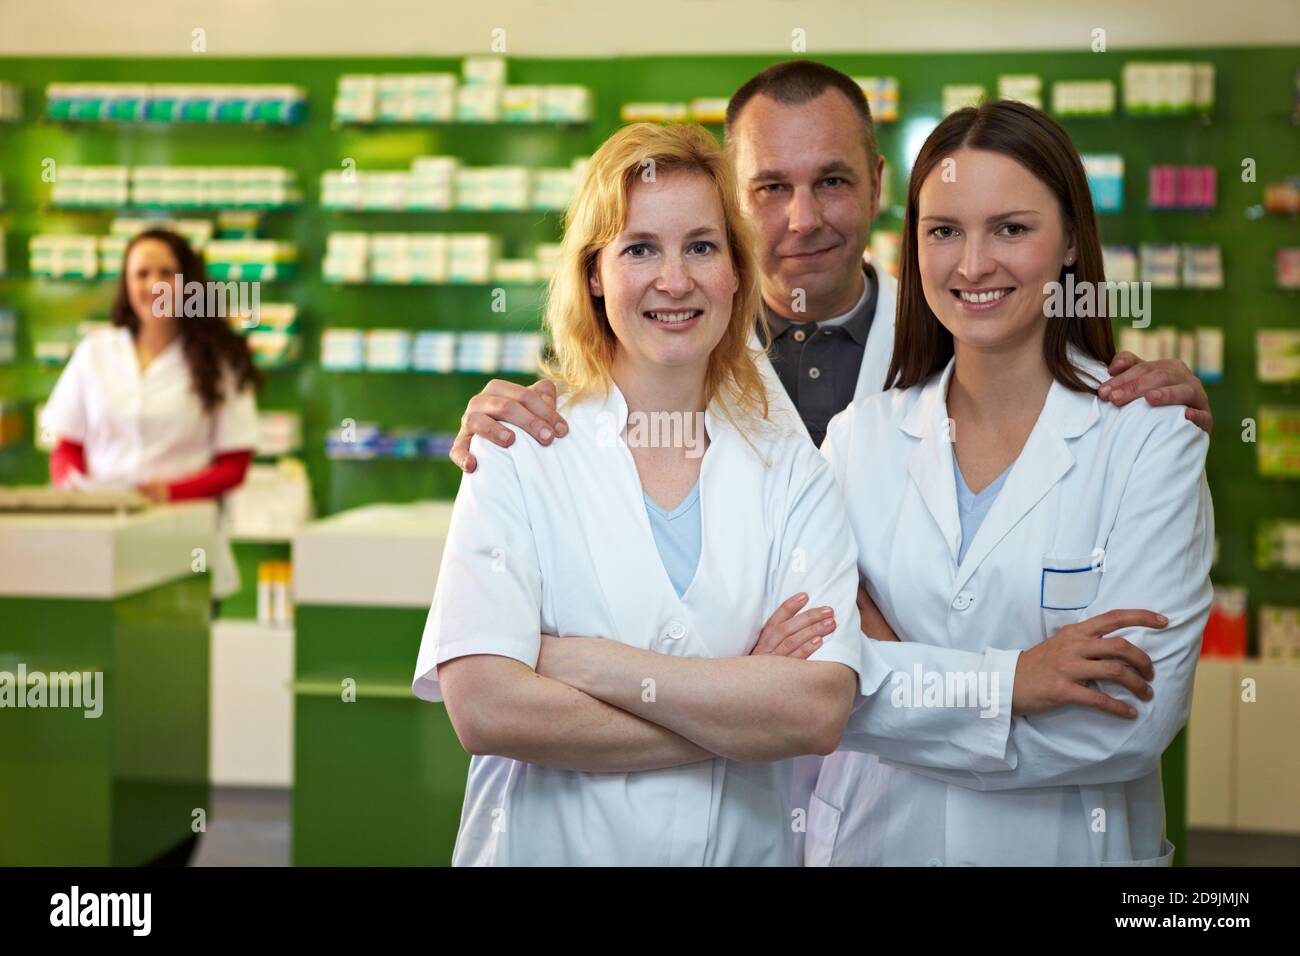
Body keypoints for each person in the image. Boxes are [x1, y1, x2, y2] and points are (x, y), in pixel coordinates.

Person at [412, 123, 866, 866]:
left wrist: (587, 666)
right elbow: (487, 708)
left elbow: (815, 711)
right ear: (595, 273)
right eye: (639, 249)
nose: (675, 279)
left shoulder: (791, 470)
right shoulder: (519, 448)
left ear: (734, 274)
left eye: (701, 246)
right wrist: (737, 704)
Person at [447, 60, 1212, 471]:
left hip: (882, 750)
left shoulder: (972, 327)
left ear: (881, 185)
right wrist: (503, 420)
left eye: (833, 182)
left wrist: (1144, 398)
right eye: (770, 188)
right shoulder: (665, 344)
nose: (803, 218)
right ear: (729, 199)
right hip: (743, 746)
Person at [810, 100, 1214, 866]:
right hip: (876, 841)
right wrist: (1017, 681)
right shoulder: (858, 441)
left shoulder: (1149, 439)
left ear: (1068, 242)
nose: (972, 265)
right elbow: (817, 680)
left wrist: (893, 672)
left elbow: (1126, 723)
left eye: (1011, 229)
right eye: (944, 231)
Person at [41, 227, 261, 596]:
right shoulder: (95, 352)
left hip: (183, 535)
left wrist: (169, 493)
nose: (154, 285)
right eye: (141, 274)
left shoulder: (220, 359)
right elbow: (66, 446)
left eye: (166, 274)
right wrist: (75, 490)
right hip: (100, 530)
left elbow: (234, 464)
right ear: (126, 284)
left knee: (177, 647)